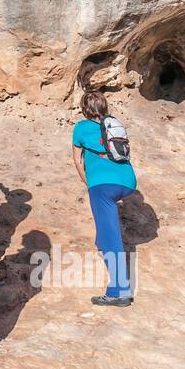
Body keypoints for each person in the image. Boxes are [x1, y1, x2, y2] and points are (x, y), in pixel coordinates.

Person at [72, 90, 138, 307]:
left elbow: (77, 161)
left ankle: (118, 292)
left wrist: (89, 183)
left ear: (84, 109)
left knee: (111, 239)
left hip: (102, 185)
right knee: (104, 237)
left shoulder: (81, 127)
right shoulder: (114, 123)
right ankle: (102, 243)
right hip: (127, 181)